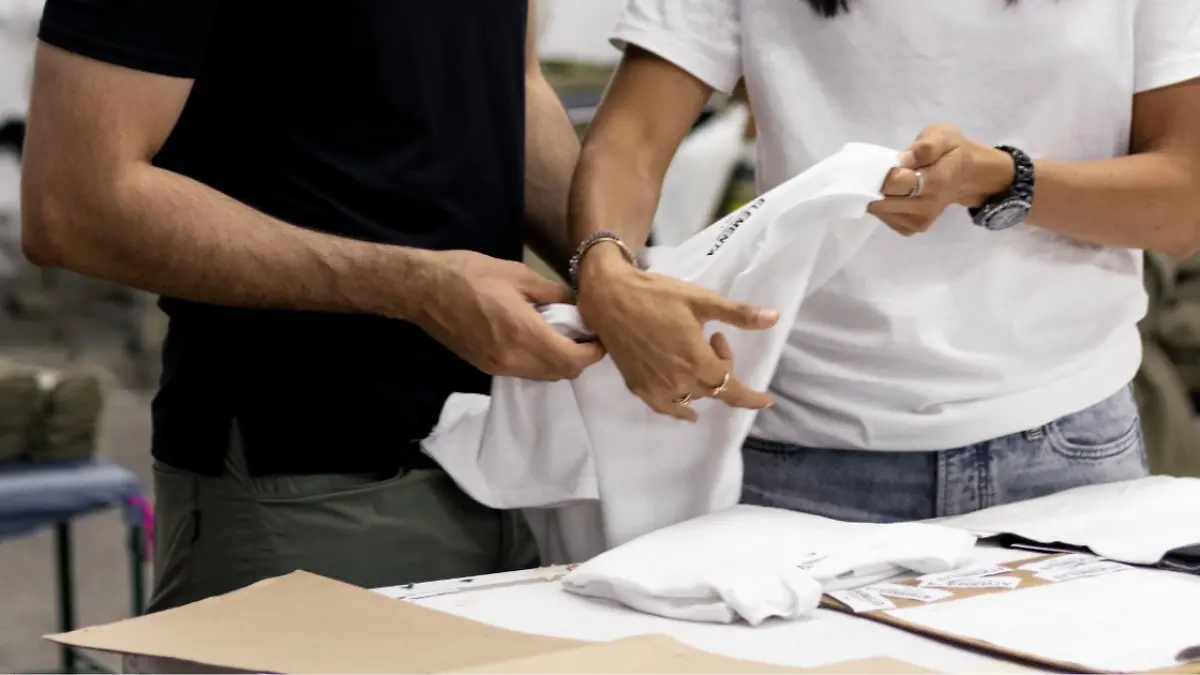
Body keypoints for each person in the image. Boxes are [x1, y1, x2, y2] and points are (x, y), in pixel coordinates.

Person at [20, 0, 602, 610]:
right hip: (311, 476)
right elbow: (73, 204)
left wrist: (614, 268)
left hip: (513, 461)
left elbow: (514, 81)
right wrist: (417, 286)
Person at [568, 0, 1200, 522]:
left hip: (1064, 444)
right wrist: (605, 270)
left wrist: (999, 181)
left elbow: (1183, 206)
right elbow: (630, 139)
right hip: (800, 450)